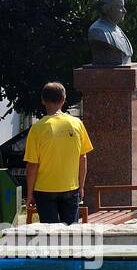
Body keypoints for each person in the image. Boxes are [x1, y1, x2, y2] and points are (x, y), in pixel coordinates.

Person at [23, 82, 93, 224]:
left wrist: (29, 194)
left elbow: (32, 166)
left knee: (50, 234)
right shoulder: (77, 124)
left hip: (44, 189)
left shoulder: (37, 129)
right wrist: (81, 186)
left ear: (43, 100)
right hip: (70, 187)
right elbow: (83, 157)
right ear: (63, 100)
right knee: (71, 232)